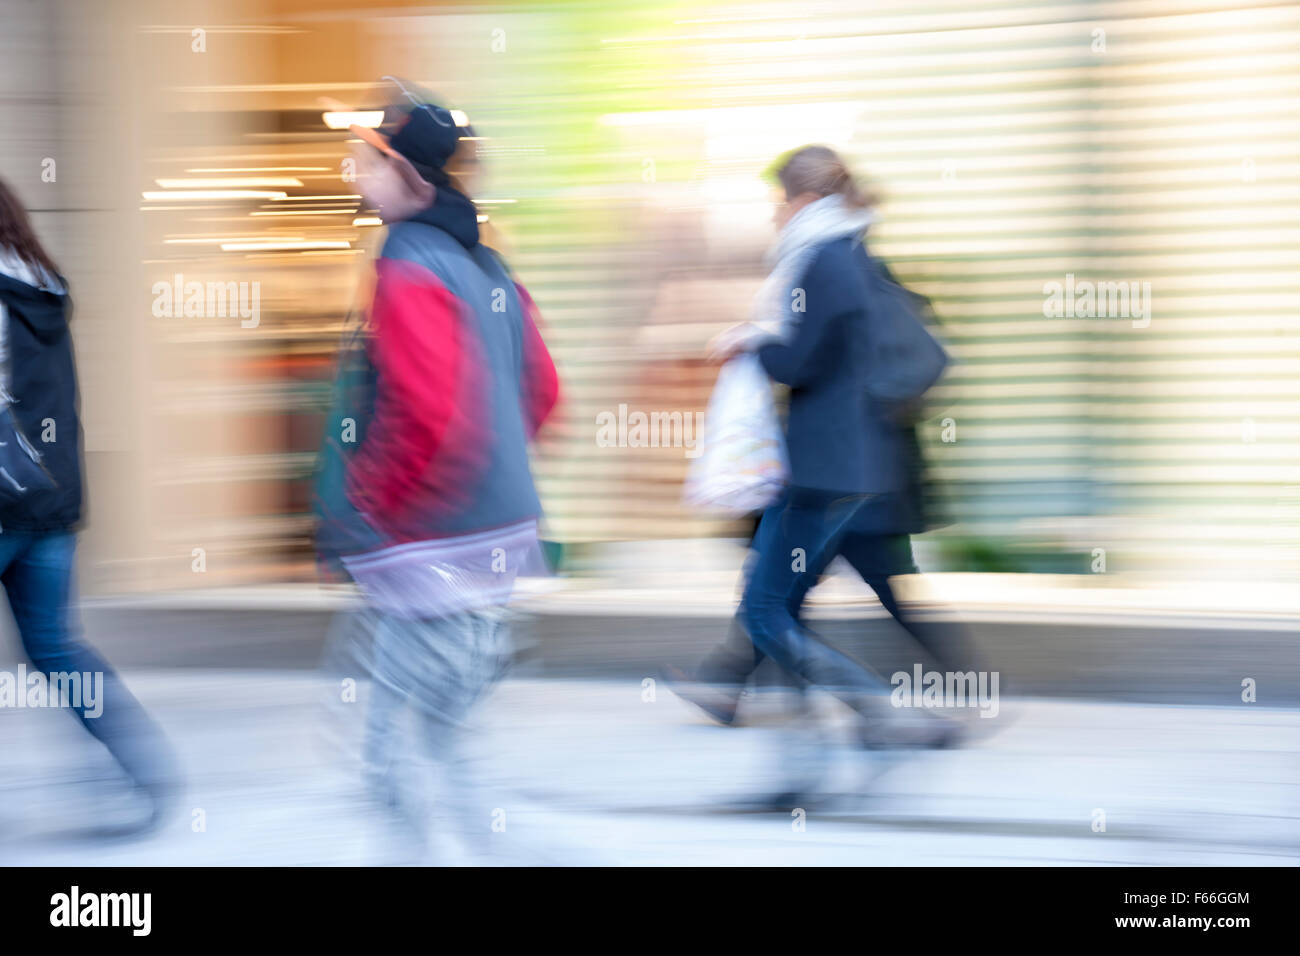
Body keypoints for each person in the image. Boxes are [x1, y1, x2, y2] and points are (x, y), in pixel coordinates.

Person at [313, 79, 559, 861]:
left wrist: (369, 504)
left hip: (423, 546)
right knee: (436, 741)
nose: (354, 171)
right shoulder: (487, 264)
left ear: (404, 175)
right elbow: (543, 392)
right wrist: (495, 469)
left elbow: (427, 413)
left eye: (365, 157)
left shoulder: (407, 262)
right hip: (493, 541)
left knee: (396, 753)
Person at [675, 146, 962, 749]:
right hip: (852, 466)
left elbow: (799, 360)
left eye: (779, 200)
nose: (775, 214)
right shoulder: (851, 254)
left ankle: (875, 708)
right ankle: (834, 709)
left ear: (805, 199)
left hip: (823, 467)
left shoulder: (821, 260)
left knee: (764, 607)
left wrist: (748, 345)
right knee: (780, 598)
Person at [0, 177, 177, 833]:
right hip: (49, 503)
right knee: (56, 649)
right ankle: (145, 768)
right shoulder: (39, 289)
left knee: (53, 649)